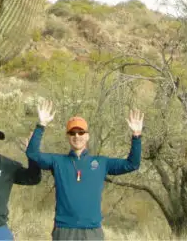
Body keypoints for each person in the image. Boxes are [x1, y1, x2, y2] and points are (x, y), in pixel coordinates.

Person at [25, 98, 144, 240]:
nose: (77, 136)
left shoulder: (101, 163)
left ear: (87, 136)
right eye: (72, 133)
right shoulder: (57, 161)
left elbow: (132, 164)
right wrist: (41, 124)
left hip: (92, 231)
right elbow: (32, 154)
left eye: (81, 133)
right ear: (67, 137)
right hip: (64, 230)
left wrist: (136, 135)